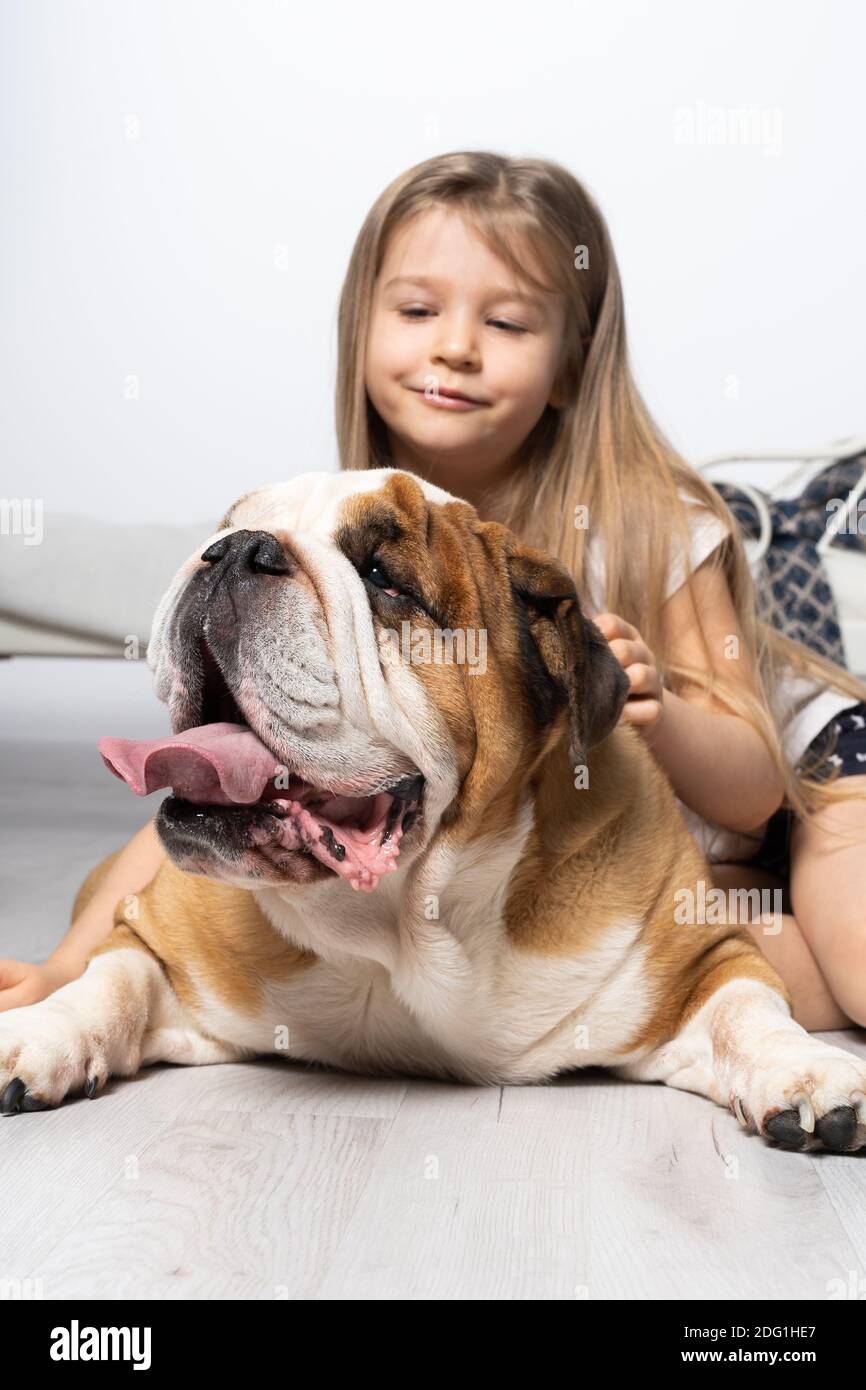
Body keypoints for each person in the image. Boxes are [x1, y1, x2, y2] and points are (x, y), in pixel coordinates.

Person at [5, 151, 866, 1033]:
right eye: (417, 310)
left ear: (571, 368)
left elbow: (758, 792)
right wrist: (69, 970)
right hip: (620, 842)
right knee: (734, 960)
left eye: (506, 322)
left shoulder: (649, 518)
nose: (453, 345)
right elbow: (221, 784)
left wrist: (659, 712)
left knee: (851, 964)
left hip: (811, 782)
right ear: (362, 333)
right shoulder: (351, 525)